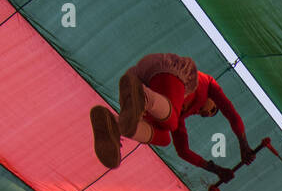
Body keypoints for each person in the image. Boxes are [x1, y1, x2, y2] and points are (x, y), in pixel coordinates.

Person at [89, 53, 255, 182]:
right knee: (172, 121)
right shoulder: (208, 84)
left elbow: (183, 151)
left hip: (138, 86)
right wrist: (244, 144)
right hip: (165, 71)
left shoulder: (180, 113)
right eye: (213, 109)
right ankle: (144, 97)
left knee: (165, 138)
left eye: (208, 116)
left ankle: (115, 124)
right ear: (213, 100)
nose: (207, 113)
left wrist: (216, 170)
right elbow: (231, 114)